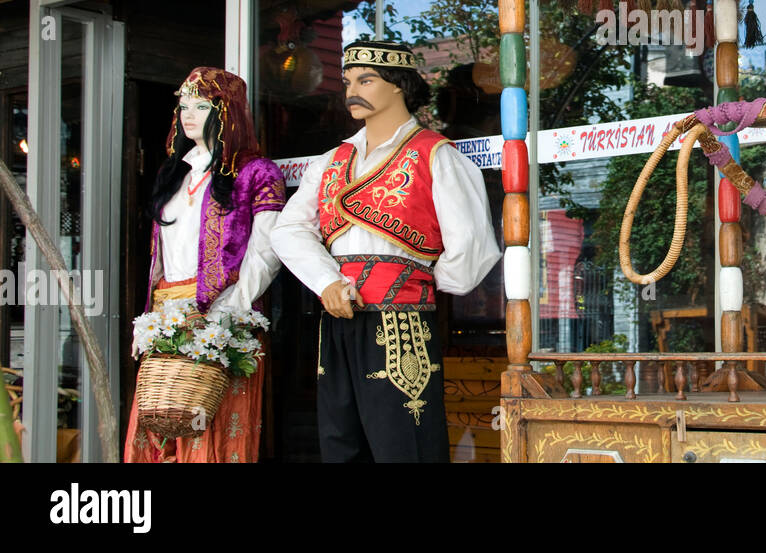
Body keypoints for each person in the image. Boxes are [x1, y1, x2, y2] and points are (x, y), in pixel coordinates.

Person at [270, 39, 500, 462]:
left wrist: (417, 283)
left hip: (402, 324)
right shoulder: (329, 161)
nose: (352, 89)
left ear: (399, 85)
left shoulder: (436, 155)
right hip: (336, 317)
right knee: (340, 442)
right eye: (348, 81)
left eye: (366, 79)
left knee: (403, 444)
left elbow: (473, 247)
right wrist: (327, 283)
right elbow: (288, 230)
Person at [125, 67, 285, 463]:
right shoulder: (175, 171)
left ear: (226, 111)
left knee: (213, 425)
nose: (188, 114)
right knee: (158, 418)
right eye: (183, 105)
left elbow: (267, 250)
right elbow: (159, 260)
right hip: (167, 313)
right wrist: (148, 320)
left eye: (201, 105)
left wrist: (231, 309)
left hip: (223, 310)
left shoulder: (256, 171)